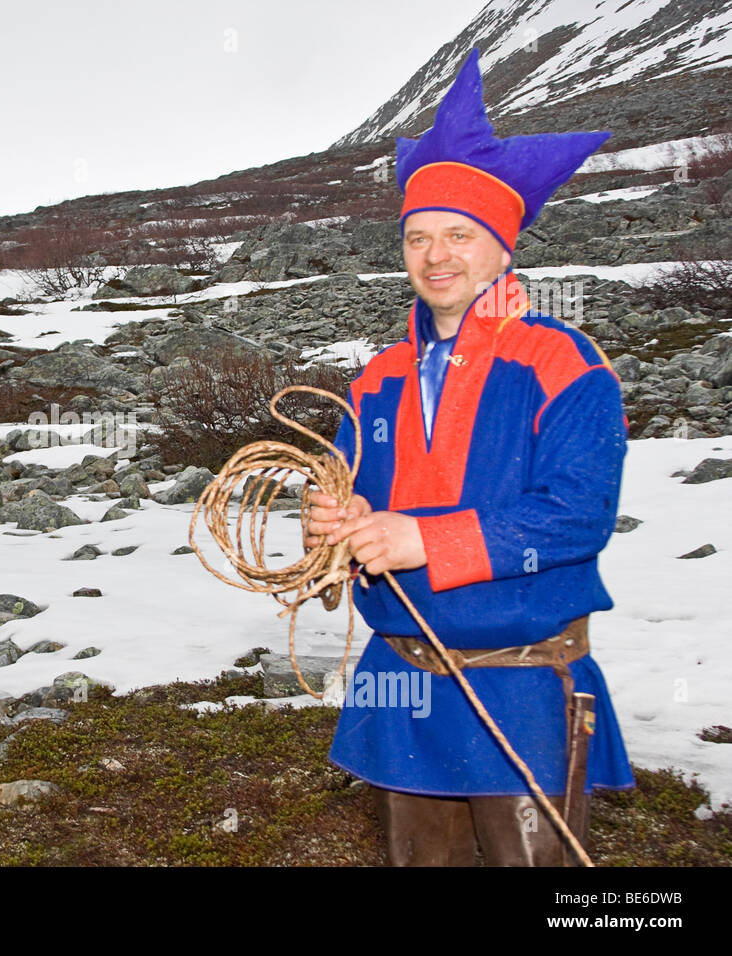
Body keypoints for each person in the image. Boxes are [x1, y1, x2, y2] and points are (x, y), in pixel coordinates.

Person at [303, 47, 634, 866]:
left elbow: (578, 516)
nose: (436, 255)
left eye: (459, 233)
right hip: (402, 678)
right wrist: (335, 524)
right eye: (418, 236)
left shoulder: (565, 363)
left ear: (502, 245)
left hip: (522, 682)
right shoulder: (376, 377)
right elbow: (351, 493)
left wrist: (425, 540)